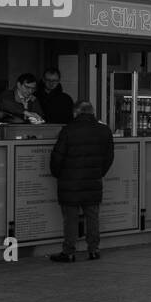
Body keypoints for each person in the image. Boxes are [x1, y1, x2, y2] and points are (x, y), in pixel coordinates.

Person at [49, 100, 114, 262]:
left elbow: (57, 158)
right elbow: (109, 157)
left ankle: (69, 252)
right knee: (92, 217)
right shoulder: (104, 131)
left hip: (69, 182)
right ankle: (93, 250)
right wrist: (99, 173)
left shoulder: (68, 130)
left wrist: (58, 174)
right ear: (92, 112)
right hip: (93, 181)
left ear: (76, 113)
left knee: (70, 218)